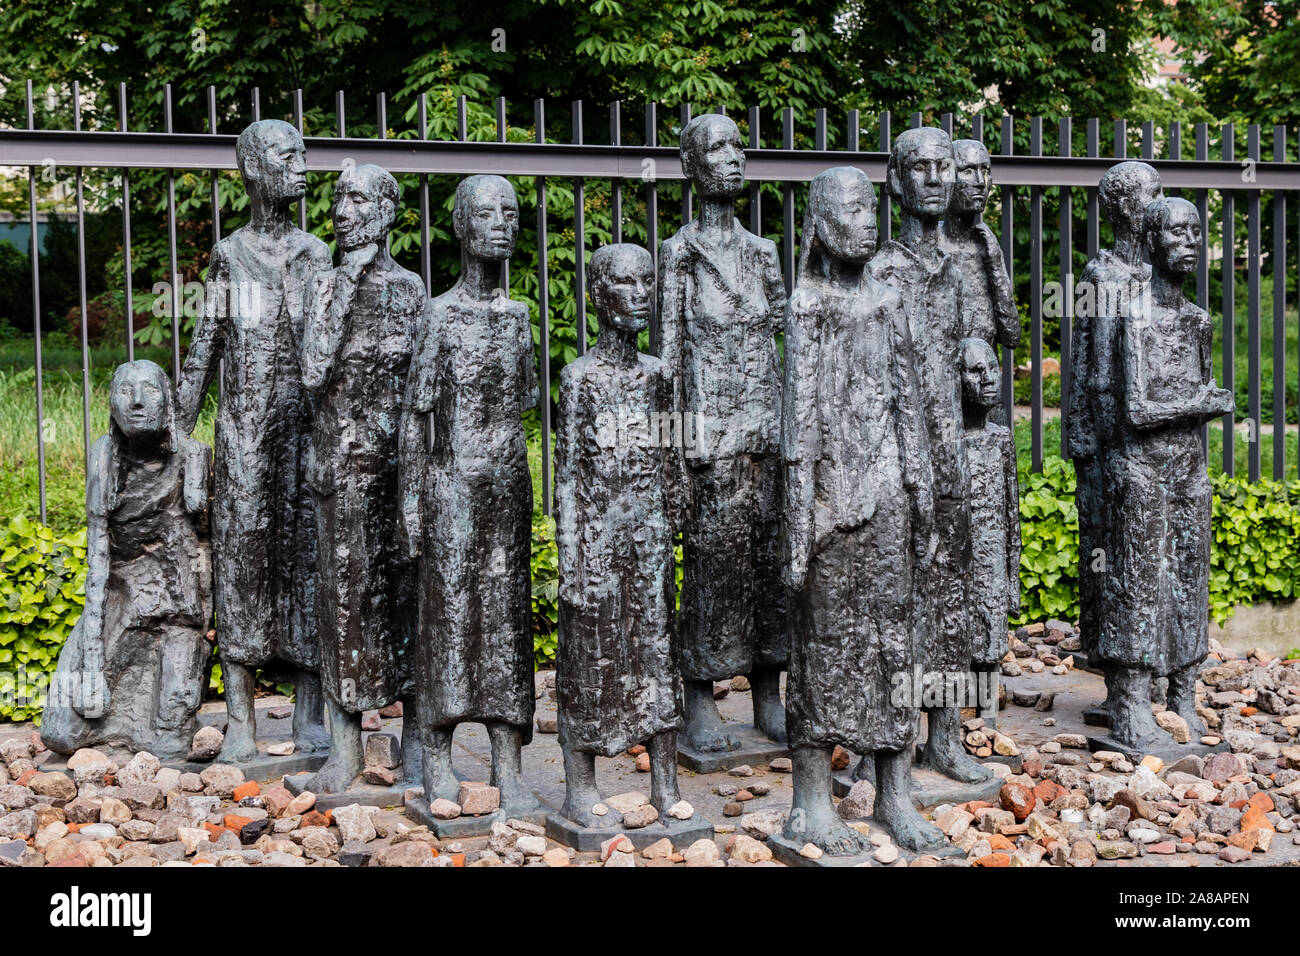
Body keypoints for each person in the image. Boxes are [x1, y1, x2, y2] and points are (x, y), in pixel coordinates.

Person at [782, 167, 948, 855]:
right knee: (821, 650)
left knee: (893, 648)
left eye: (869, 209)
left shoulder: (890, 300)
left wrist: (926, 501)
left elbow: (911, 409)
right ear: (820, 223)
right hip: (828, 511)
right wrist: (797, 526)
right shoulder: (806, 306)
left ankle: (896, 794)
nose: (865, 222)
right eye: (849, 211)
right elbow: (798, 431)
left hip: (890, 505)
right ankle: (811, 802)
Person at [176, 119, 331, 762]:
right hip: (244, 438)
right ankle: (240, 720)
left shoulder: (318, 255)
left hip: (308, 439)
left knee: (311, 566)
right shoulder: (228, 254)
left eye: (302, 153)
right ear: (252, 169)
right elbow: (203, 350)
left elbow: (331, 355)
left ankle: (311, 718)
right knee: (242, 571)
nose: (301, 164)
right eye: (286, 155)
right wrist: (179, 439)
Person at [400, 174, 538, 816]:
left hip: (507, 488)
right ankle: (438, 755)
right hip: (450, 487)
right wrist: (410, 503)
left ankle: (510, 758)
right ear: (460, 225)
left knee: (505, 618)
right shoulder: (438, 314)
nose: (502, 224)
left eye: (511, 212)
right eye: (487, 213)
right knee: (449, 619)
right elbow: (416, 414)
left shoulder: (518, 318)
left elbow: (526, 413)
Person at [659, 113, 788, 754]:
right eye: (718, 148)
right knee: (712, 570)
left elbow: (784, 346)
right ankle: (700, 696)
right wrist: (677, 450)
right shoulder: (678, 253)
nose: (733, 157)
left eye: (739, 146)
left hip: (766, 435)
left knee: (770, 567)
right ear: (691, 165)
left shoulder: (764, 254)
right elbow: (667, 357)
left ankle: (770, 692)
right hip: (711, 444)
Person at [299, 164, 424, 793]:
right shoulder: (325, 283)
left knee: (408, 603)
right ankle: (345, 747)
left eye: (356, 198)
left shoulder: (411, 288)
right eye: (338, 199)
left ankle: (422, 746)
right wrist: (344, 284)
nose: (342, 210)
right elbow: (313, 372)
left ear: (386, 209)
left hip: (400, 468)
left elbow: (422, 389)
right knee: (343, 606)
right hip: (341, 470)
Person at [553, 243, 686, 827]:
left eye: (646, 283)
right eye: (626, 284)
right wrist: (570, 555)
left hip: (650, 539)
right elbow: (565, 473)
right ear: (599, 296)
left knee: (657, 653)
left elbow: (672, 458)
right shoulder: (578, 379)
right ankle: (580, 787)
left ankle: (665, 782)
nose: (639, 295)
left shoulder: (660, 376)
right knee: (591, 657)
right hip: (596, 540)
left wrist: (674, 523)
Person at [1100, 197, 1233, 749]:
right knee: (1139, 582)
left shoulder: (1200, 321)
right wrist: (1203, 402)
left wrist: (1199, 404)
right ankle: (1131, 703)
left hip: (1187, 472)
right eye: (1175, 233)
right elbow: (1137, 410)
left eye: (1196, 232)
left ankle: (1183, 694)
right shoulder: (1134, 316)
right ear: (1152, 242)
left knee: (1187, 581)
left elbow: (1192, 404)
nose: (1188, 242)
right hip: (1142, 469)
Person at [42, 360, 212, 761]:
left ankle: (171, 714)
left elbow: (206, 546)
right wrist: (91, 661)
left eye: (150, 390)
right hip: (122, 590)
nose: (137, 402)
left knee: (170, 740)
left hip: (176, 605)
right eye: (125, 391)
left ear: (168, 401)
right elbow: (98, 558)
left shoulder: (194, 456)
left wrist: (202, 623)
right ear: (112, 407)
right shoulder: (106, 454)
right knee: (61, 732)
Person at [1066, 161, 1163, 726]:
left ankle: (1138, 687)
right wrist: (1099, 445)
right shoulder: (1104, 276)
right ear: (1125, 207)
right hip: (1113, 442)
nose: (1159, 202)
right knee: (1107, 559)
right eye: (1152, 194)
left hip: (1144, 440)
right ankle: (1116, 688)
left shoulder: (1153, 274)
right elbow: (1094, 370)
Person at [960, 337, 1021, 727]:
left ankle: (988, 721)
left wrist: (1012, 579)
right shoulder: (946, 442)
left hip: (993, 562)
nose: (988, 379)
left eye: (992, 369)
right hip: (958, 561)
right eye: (975, 371)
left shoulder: (1001, 439)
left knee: (990, 642)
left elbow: (1011, 517)